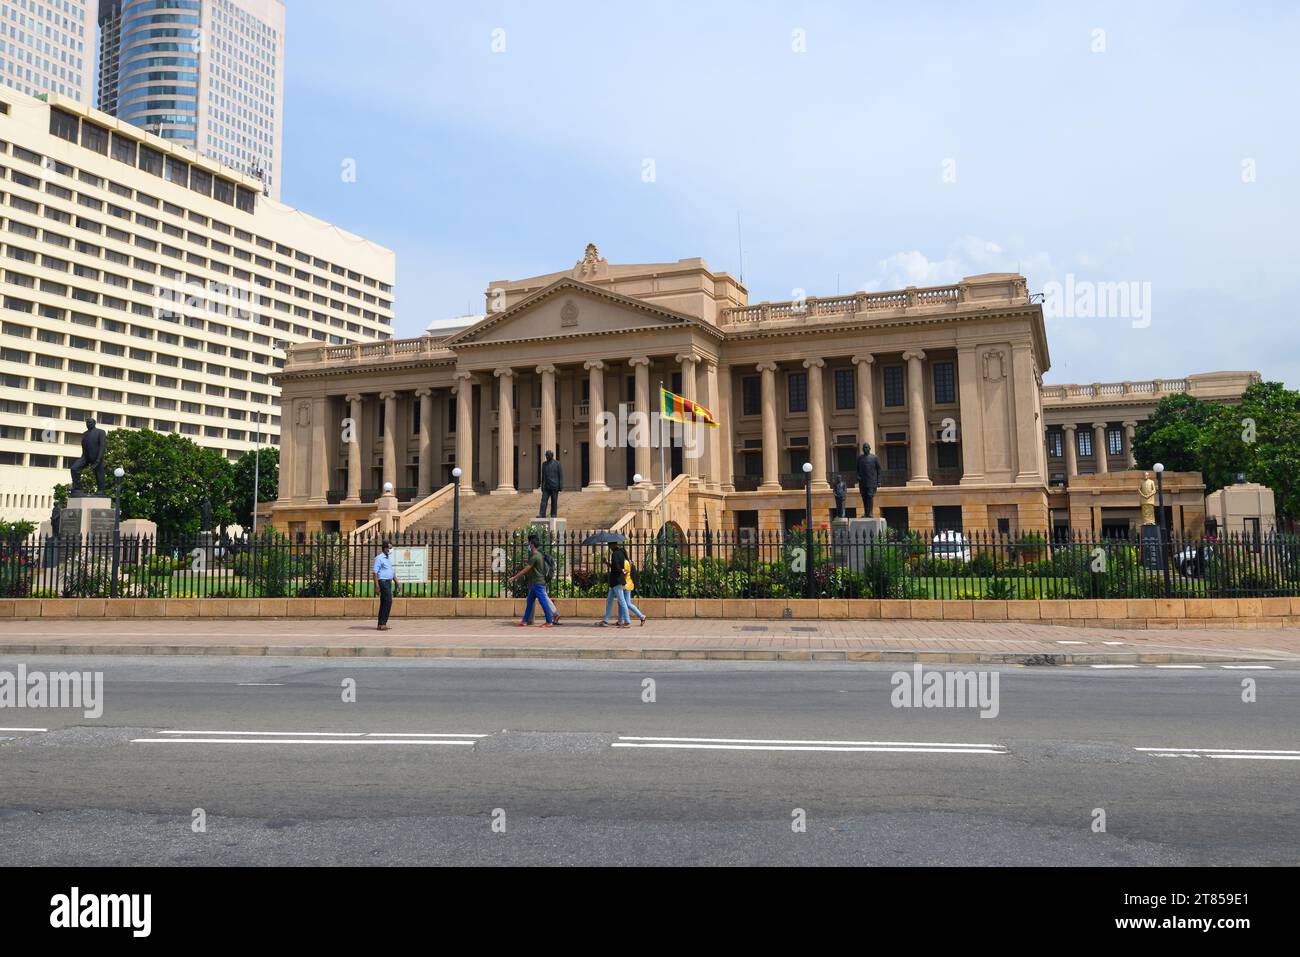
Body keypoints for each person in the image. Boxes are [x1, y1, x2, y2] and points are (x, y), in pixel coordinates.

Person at [510, 533, 554, 627]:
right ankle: (524, 621)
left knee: (543, 603)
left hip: (538, 584)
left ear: (532, 545)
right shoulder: (539, 555)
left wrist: (514, 577)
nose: (529, 545)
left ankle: (549, 621)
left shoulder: (535, 556)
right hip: (535, 584)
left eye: (529, 544)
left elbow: (526, 569)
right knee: (529, 602)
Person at [69, 418, 108, 496]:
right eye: (87, 423)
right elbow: (84, 447)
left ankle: (101, 490)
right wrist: (83, 458)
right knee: (74, 468)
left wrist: (98, 460)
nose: (88, 424)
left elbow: (102, 446)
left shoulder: (100, 432)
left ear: (94, 423)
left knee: (99, 474)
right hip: (85, 457)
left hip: (97, 457)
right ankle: (77, 488)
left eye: (90, 422)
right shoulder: (85, 434)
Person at [600, 541, 631, 627]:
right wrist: (606, 563)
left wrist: (620, 570)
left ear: (613, 545)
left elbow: (616, 567)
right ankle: (606, 620)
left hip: (616, 580)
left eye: (610, 545)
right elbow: (617, 567)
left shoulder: (615, 554)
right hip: (615, 581)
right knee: (609, 600)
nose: (609, 547)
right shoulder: (621, 552)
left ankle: (627, 620)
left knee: (621, 600)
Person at [372, 541, 398, 630]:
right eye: (389, 548)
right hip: (383, 582)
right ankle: (383, 623)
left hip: (388, 582)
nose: (390, 550)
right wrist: (376, 586)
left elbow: (391, 572)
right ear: (384, 548)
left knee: (384, 603)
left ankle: (381, 624)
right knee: (388, 601)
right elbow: (375, 573)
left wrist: (397, 583)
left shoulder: (387, 559)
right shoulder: (379, 558)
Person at [856, 442, 882, 516]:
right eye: (864, 447)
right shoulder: (859, 458)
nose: (865, 449)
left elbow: (879, 470)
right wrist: (857, 476)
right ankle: (866, 513)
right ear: (862, 449)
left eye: (867, 447)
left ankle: (870, 512)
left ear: (870, 449)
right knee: (864, 497)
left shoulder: (874, 458)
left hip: (872, 481)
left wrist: (879, 481)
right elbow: (857, 469)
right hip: (863, 482)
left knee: (870, 496)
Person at [622, 554, 647, 626]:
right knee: (622, 603)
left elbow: (625, 573)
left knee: (627, 603)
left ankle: (641, 616)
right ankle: (620, 620)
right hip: (627, 584)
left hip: (626, 585)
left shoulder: (625, 563)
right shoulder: (627, 562)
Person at [538, 450, 562, 518]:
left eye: (547, 455)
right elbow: (543, 476)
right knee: (543, 501)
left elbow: (560, 475)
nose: (546, 456)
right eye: (546, 455)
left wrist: (560, 486)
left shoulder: (557, 463)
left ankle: (553, 514)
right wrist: (542, 485)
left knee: (554, 501)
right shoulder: (544, 464)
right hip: (546, 486)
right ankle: (542, 514)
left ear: (551, 455)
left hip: (554, 486)